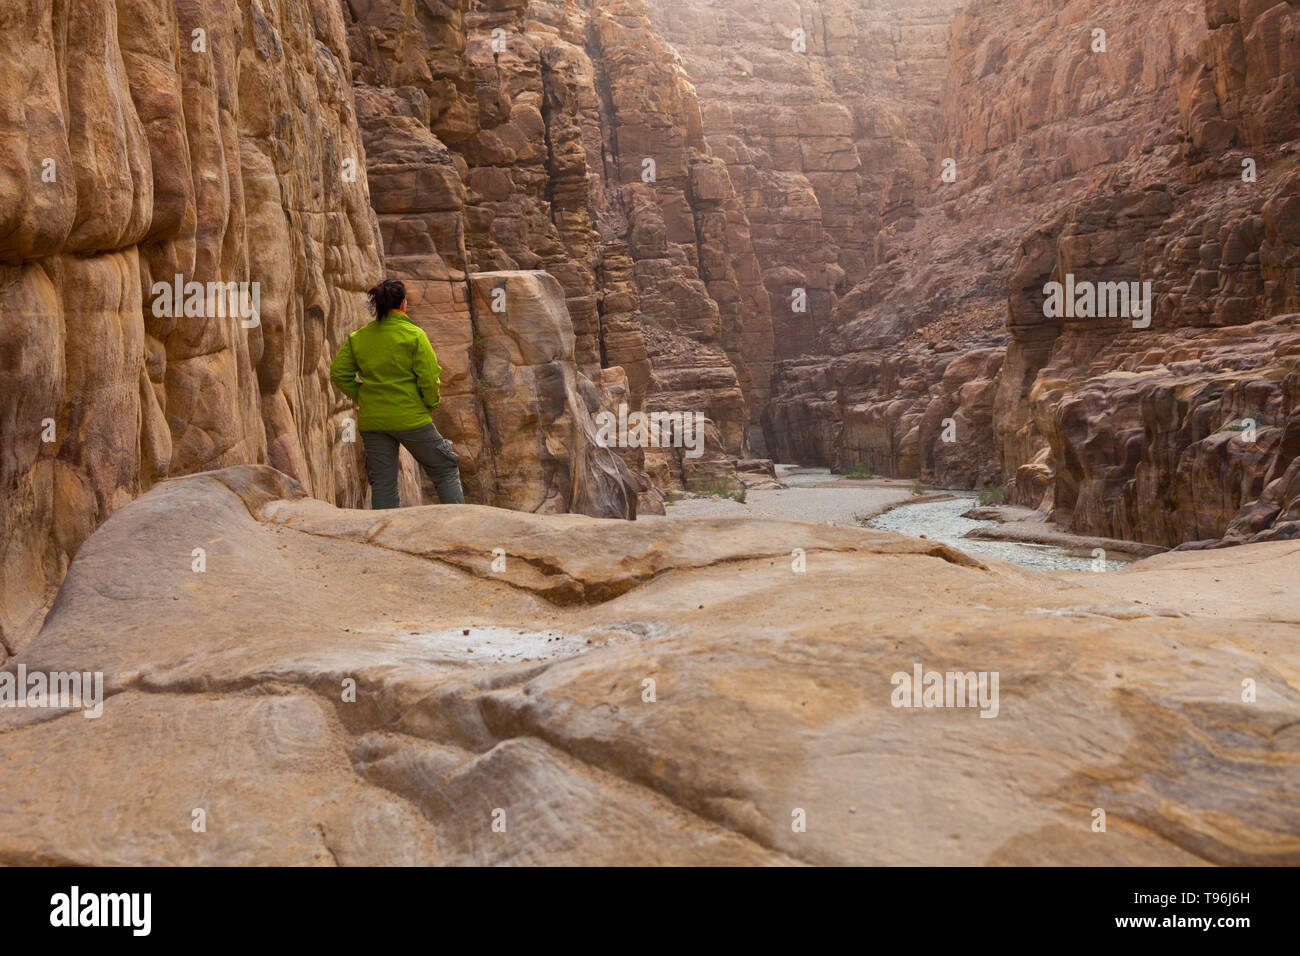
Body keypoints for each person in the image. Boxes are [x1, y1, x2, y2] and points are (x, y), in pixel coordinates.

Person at [329, 279, 466, 507]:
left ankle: (385, 536)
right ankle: (464, 525)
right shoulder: (414, 335)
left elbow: (338, 373)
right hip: (411, 418)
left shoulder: (359, 337)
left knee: (383, 482)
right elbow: (429, 378)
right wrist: (430, 403)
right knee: (444, 468)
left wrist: (362, 396)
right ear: (403, 304)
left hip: (373, 421)